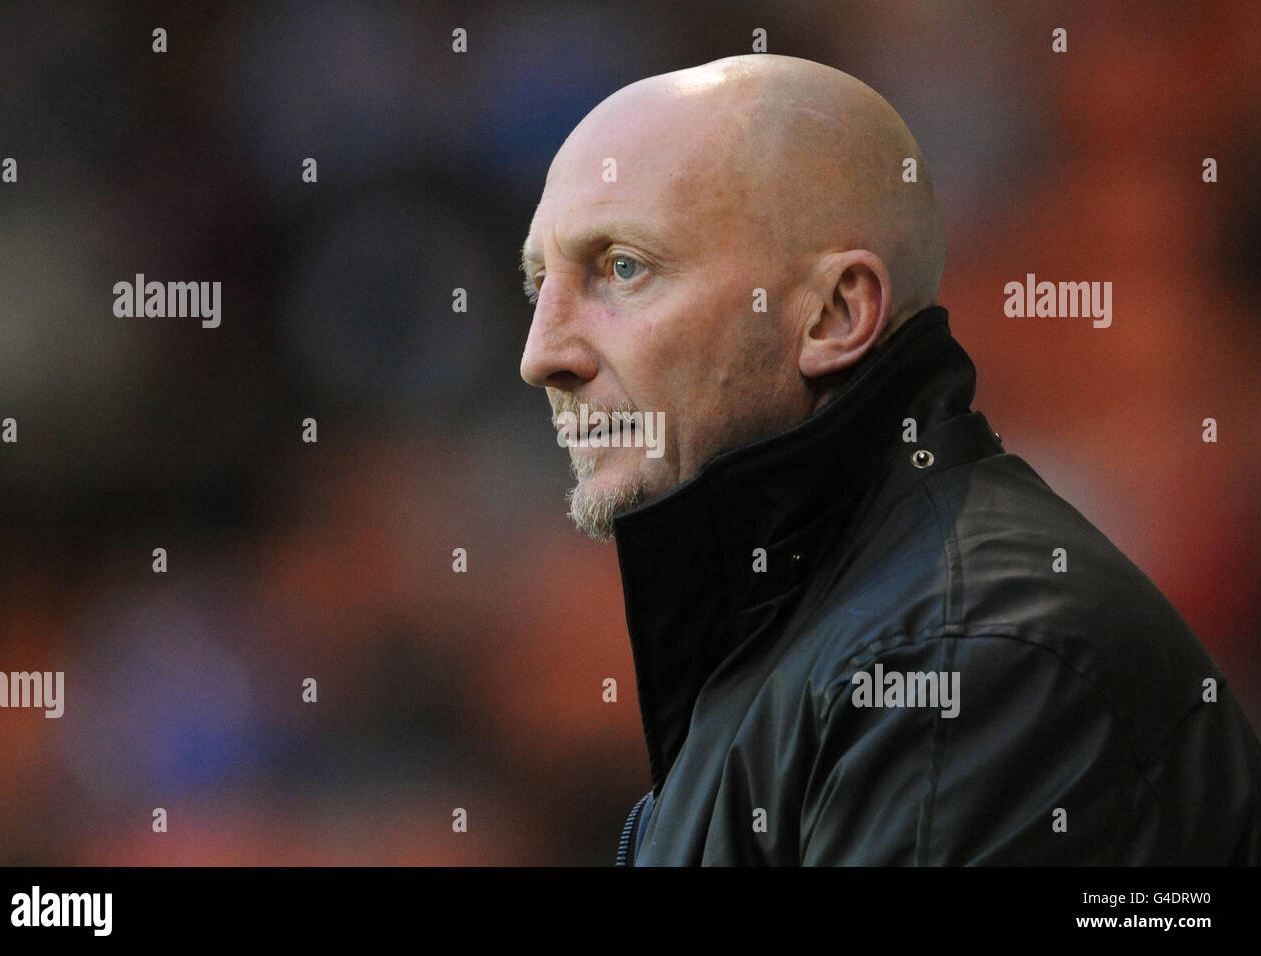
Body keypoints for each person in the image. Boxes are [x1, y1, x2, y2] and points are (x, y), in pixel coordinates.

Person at [518, 54, 1261, 865]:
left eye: (623, 268)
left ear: (836, 315)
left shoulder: (962, 655)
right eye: (537, 285)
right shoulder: (816, 635)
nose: (542, 354)